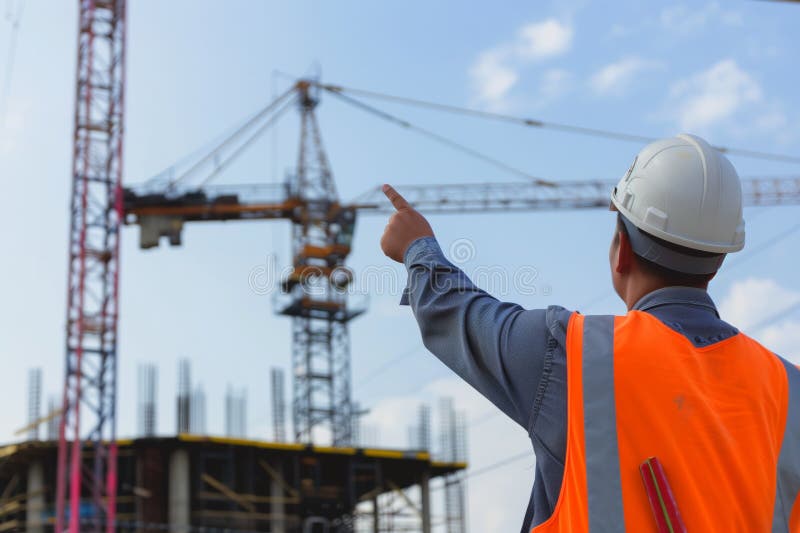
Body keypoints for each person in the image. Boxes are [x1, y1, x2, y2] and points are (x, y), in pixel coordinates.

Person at [379, 133, 800, 532]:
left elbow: (457, 315)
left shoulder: (573, 354)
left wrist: (418, 247)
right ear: (719, 261)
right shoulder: (790, 389)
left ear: (622, 251)